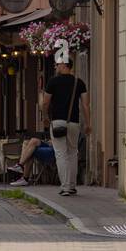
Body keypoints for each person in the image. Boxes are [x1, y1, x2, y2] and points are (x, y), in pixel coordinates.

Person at [46, 57, 90, 195]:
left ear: (64, 65)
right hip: (74, 122)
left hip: (57, 121)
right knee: (72, 153)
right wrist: (88, 123)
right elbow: (85, 105)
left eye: (57, 64)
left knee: (60, 154)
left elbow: (45, 102)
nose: (56, 67)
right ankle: (72, 186)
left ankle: (65, 187)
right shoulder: (79, 82)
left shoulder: (53, 82)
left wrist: (46, 117)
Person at [8, 86, 51, 187]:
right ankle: (24, 176)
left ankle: (21, 168)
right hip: (50, 143)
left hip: (55, 147)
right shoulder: (49, 116)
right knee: (27, 143)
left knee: (34, 142)